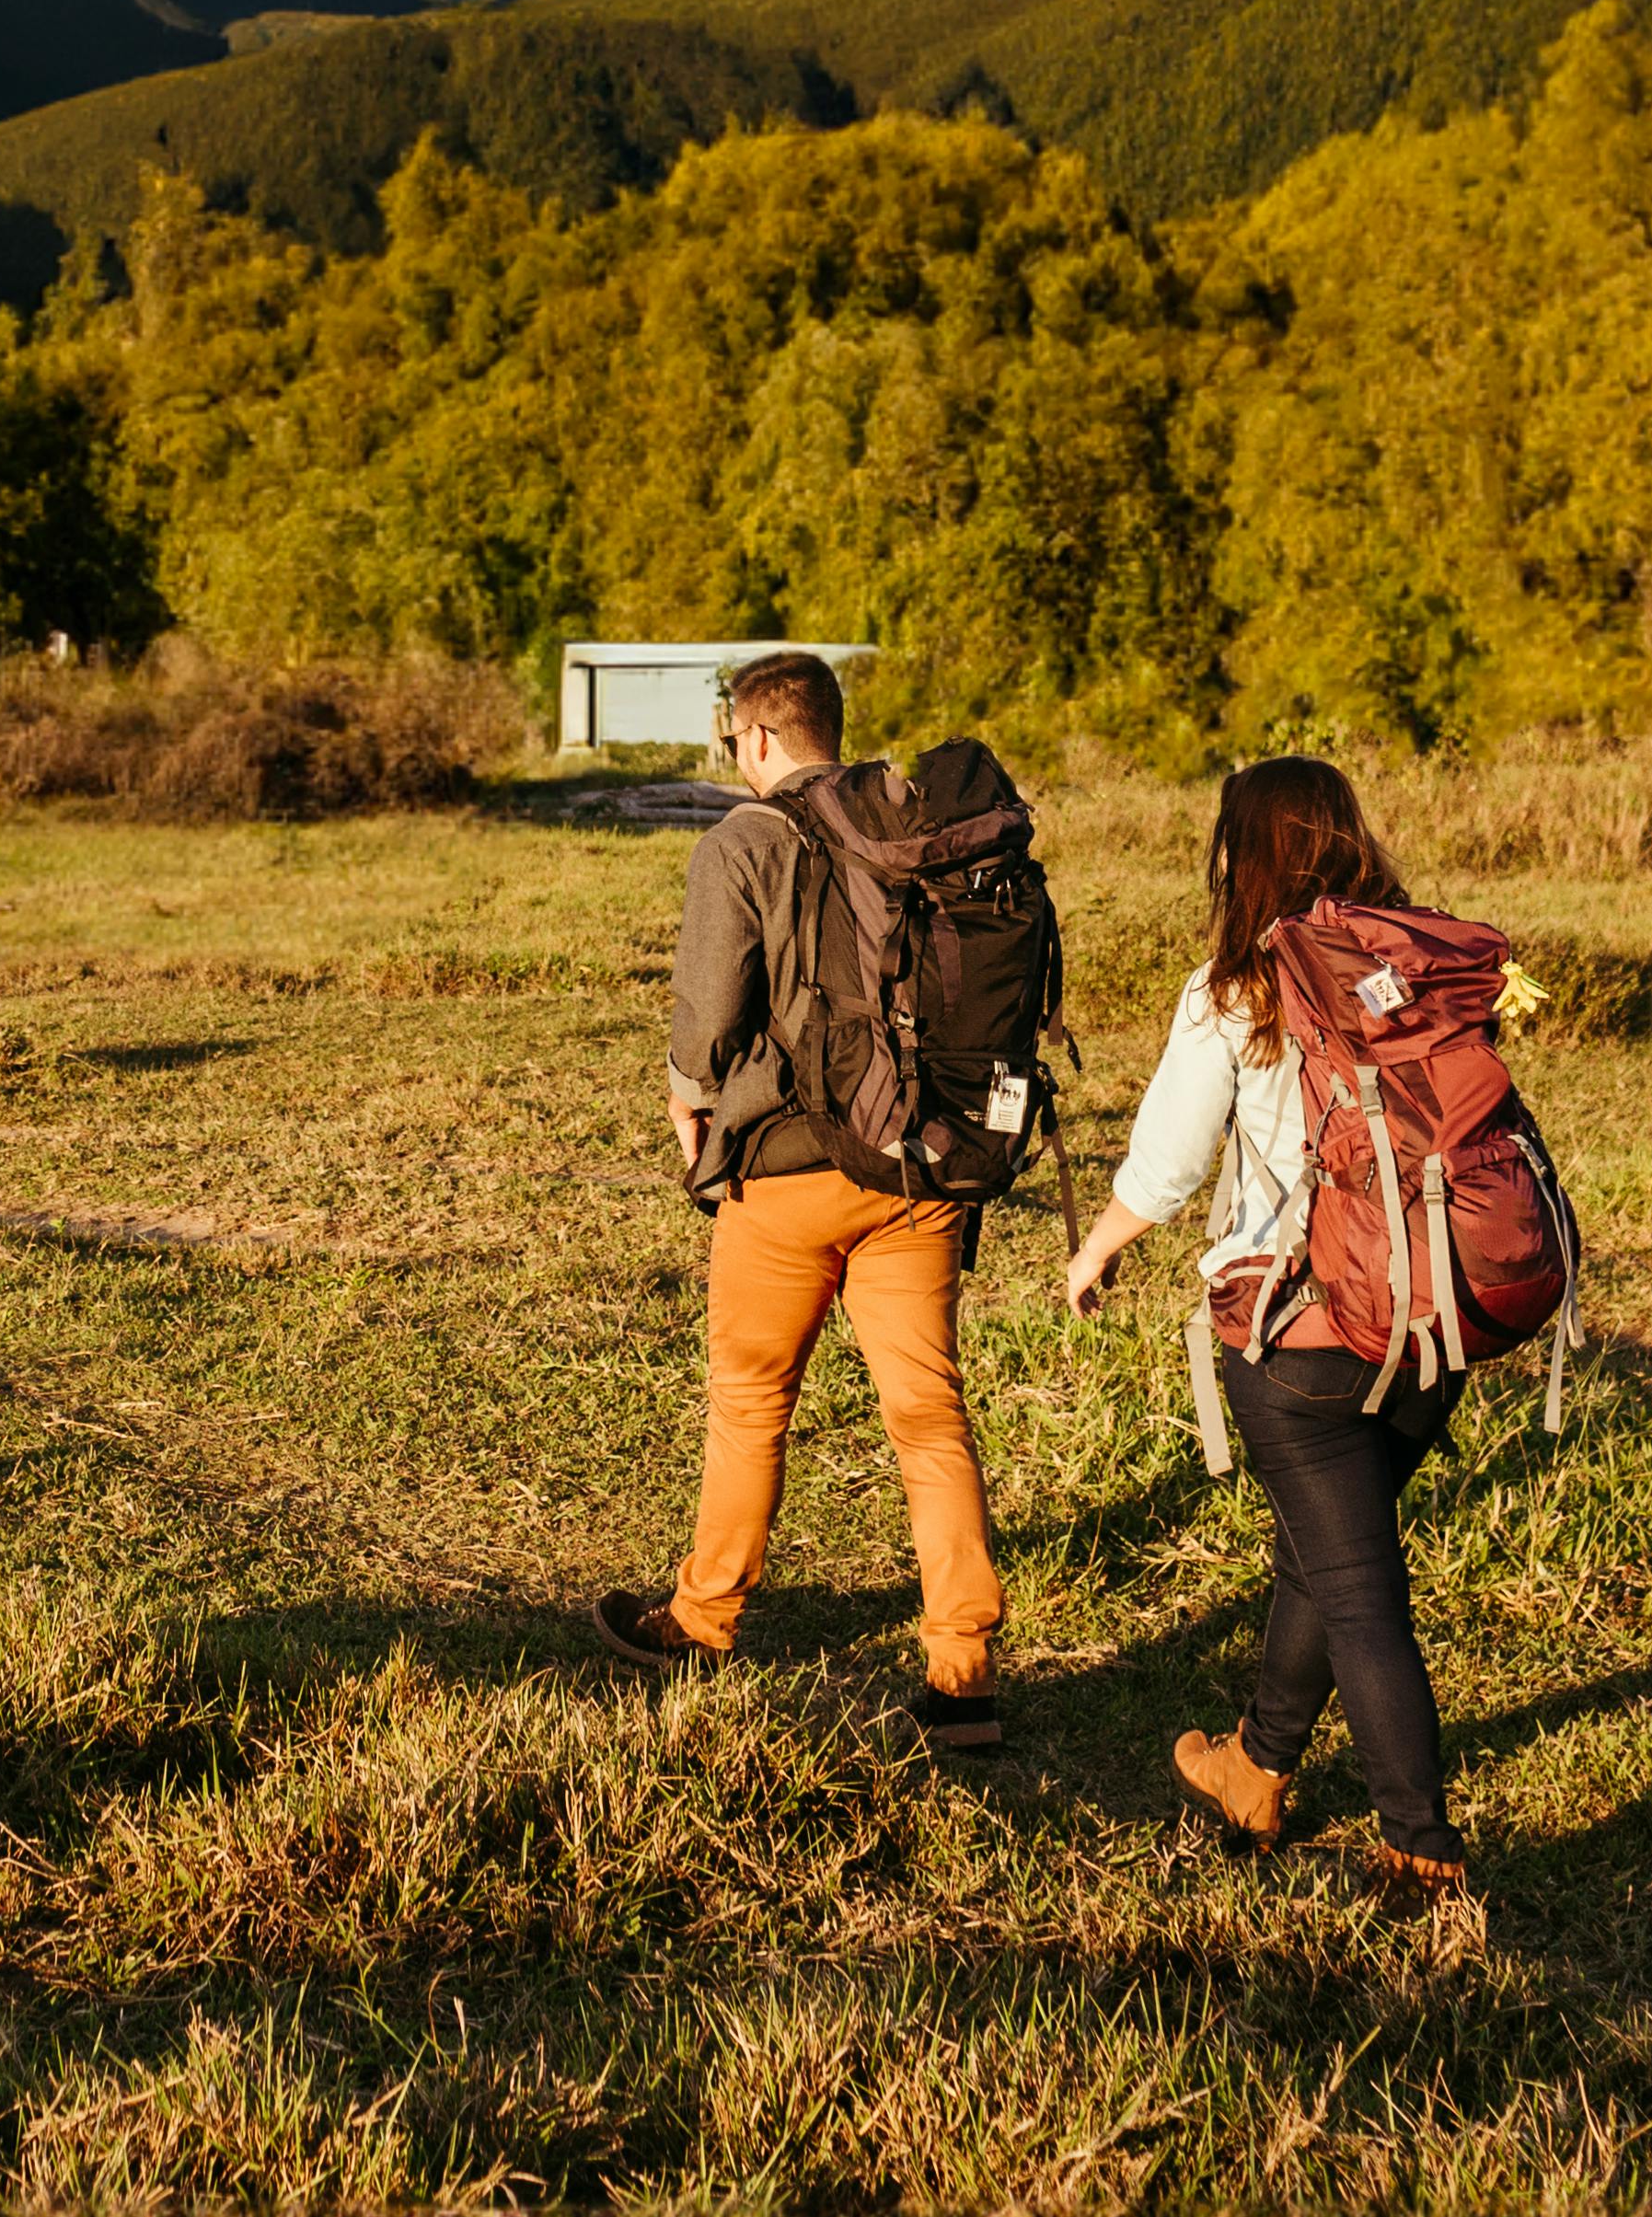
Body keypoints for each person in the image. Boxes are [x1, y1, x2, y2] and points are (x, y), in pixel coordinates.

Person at [1057, 755, 1476, 1921]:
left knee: (1357, 1592)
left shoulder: (1236, 988)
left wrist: (1096, 1250)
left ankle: (1421, 1848)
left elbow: (1169, 1159)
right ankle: (1254, 1769)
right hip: (1435, 1321)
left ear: (1241, 855)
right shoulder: (1418, 961)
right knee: (1325, 1555)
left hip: (1306, 1336)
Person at [587, 650, 1006, 1753]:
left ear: (757, 738)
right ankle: (963, 1671)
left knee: (750, 1395)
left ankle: (703, 1613)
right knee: (927, 1414)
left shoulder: (745, 838)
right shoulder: (907, 825)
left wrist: (688, 1099)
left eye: (732, 742)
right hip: (918, 1170)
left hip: (786, 1168)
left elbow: (709, 1005)